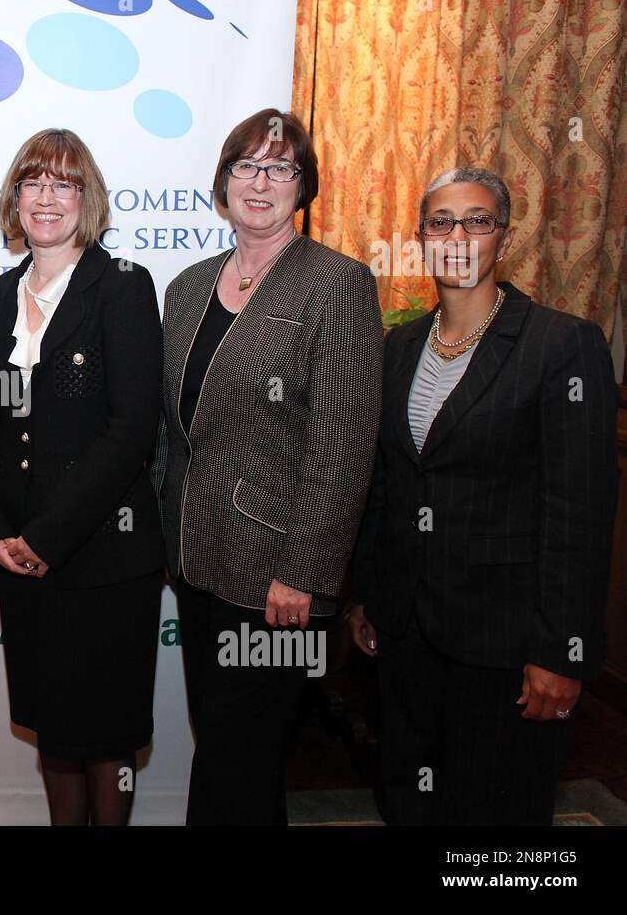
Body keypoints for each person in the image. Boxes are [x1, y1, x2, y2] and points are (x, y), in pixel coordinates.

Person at [348, 167, 618, 825]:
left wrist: (562, 652)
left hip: (505, 643)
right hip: (408, 633)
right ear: (420, 238)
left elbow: (578, 515)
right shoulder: (400, 346)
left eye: (477, 220)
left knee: (494, 812)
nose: (458, 235)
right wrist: (371, 595)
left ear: (505, 237)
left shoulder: (562, 345)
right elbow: (387, 480)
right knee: (409, 799)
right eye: (441, 222)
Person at [155, 108, 384, 824]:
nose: (261, 182)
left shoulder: (335, 284)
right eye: (245, 166)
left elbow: (343, 443)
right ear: (223, 183)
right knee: (224, 748)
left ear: (303, 187)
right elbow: (173, 428)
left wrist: (306, 574)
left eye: (280, 168)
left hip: (274, 579)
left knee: (243, 752)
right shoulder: (188, 286)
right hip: (196, 561)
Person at [0, 128, 164, 825]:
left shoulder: (124, 287)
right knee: (54, 729)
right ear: (15, 197)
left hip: (103, 556)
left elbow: (132, 429)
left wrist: (46, 536)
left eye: (64, 183)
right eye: (34, 181)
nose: (47, 196)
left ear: (88, 197)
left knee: (104, 739)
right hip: (20, 558)